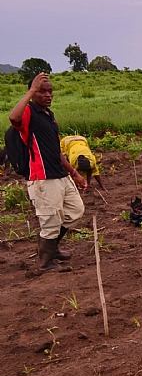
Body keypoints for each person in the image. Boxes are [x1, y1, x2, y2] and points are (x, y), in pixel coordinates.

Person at [9, 73, 87, 272]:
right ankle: (46, 263)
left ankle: (51, 247)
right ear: (33, 92)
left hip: (60, 175)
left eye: (50, 91)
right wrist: (31, 90)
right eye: (42, 91)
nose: (48, 95)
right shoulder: (28, 113)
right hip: (42, 177)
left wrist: (74, 173)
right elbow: (13, 117)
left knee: (75, 211)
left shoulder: (49, 116)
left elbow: (56, 150)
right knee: (50, 220)